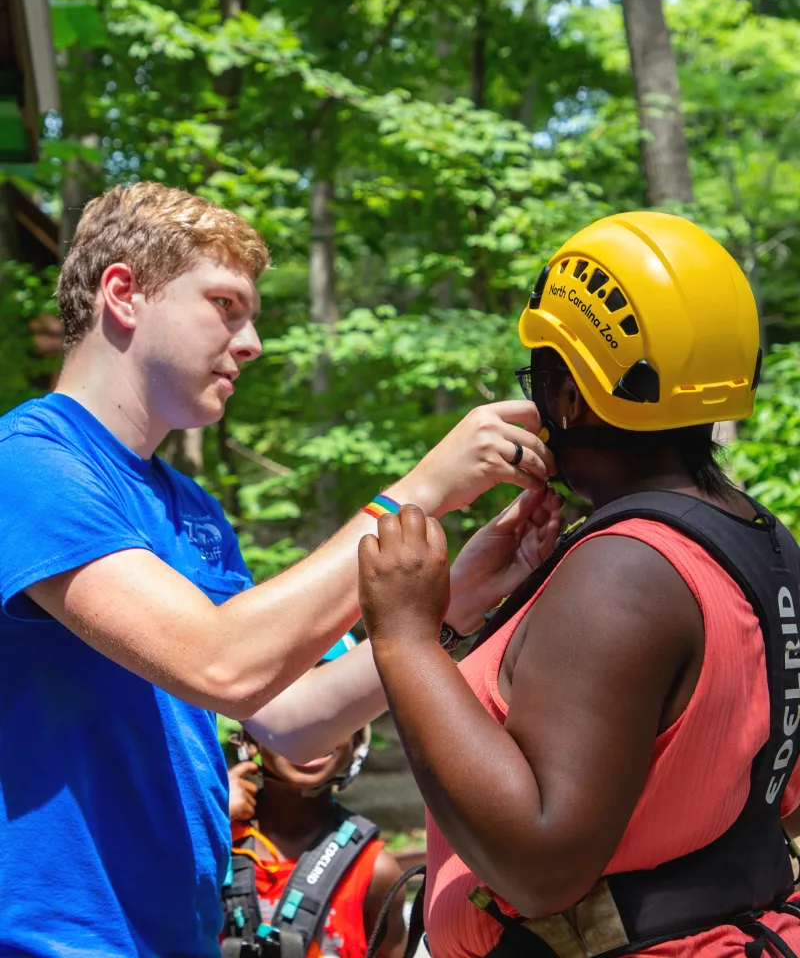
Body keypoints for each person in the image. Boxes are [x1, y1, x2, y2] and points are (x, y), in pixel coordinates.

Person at [0, 181, 562, 958]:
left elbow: (288, 713)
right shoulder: (28, 467)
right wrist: (423, 489)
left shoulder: (190, 509)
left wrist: (449, 604)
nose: (252, 340)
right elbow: (220, 664)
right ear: (124, 294)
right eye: (227, 305)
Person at [356, 212, 800, 958]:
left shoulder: (624, 569)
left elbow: (541, 868)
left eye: (542, 377)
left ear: (569, 395)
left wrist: (404, 638)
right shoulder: (762, 543)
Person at [221, 634, 406, 958]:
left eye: (334, 715)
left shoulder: (376, 873)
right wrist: (211, 816)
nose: (310, 733)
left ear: (357, 742)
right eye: (291, 712)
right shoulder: (211, 840)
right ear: (250, 740)